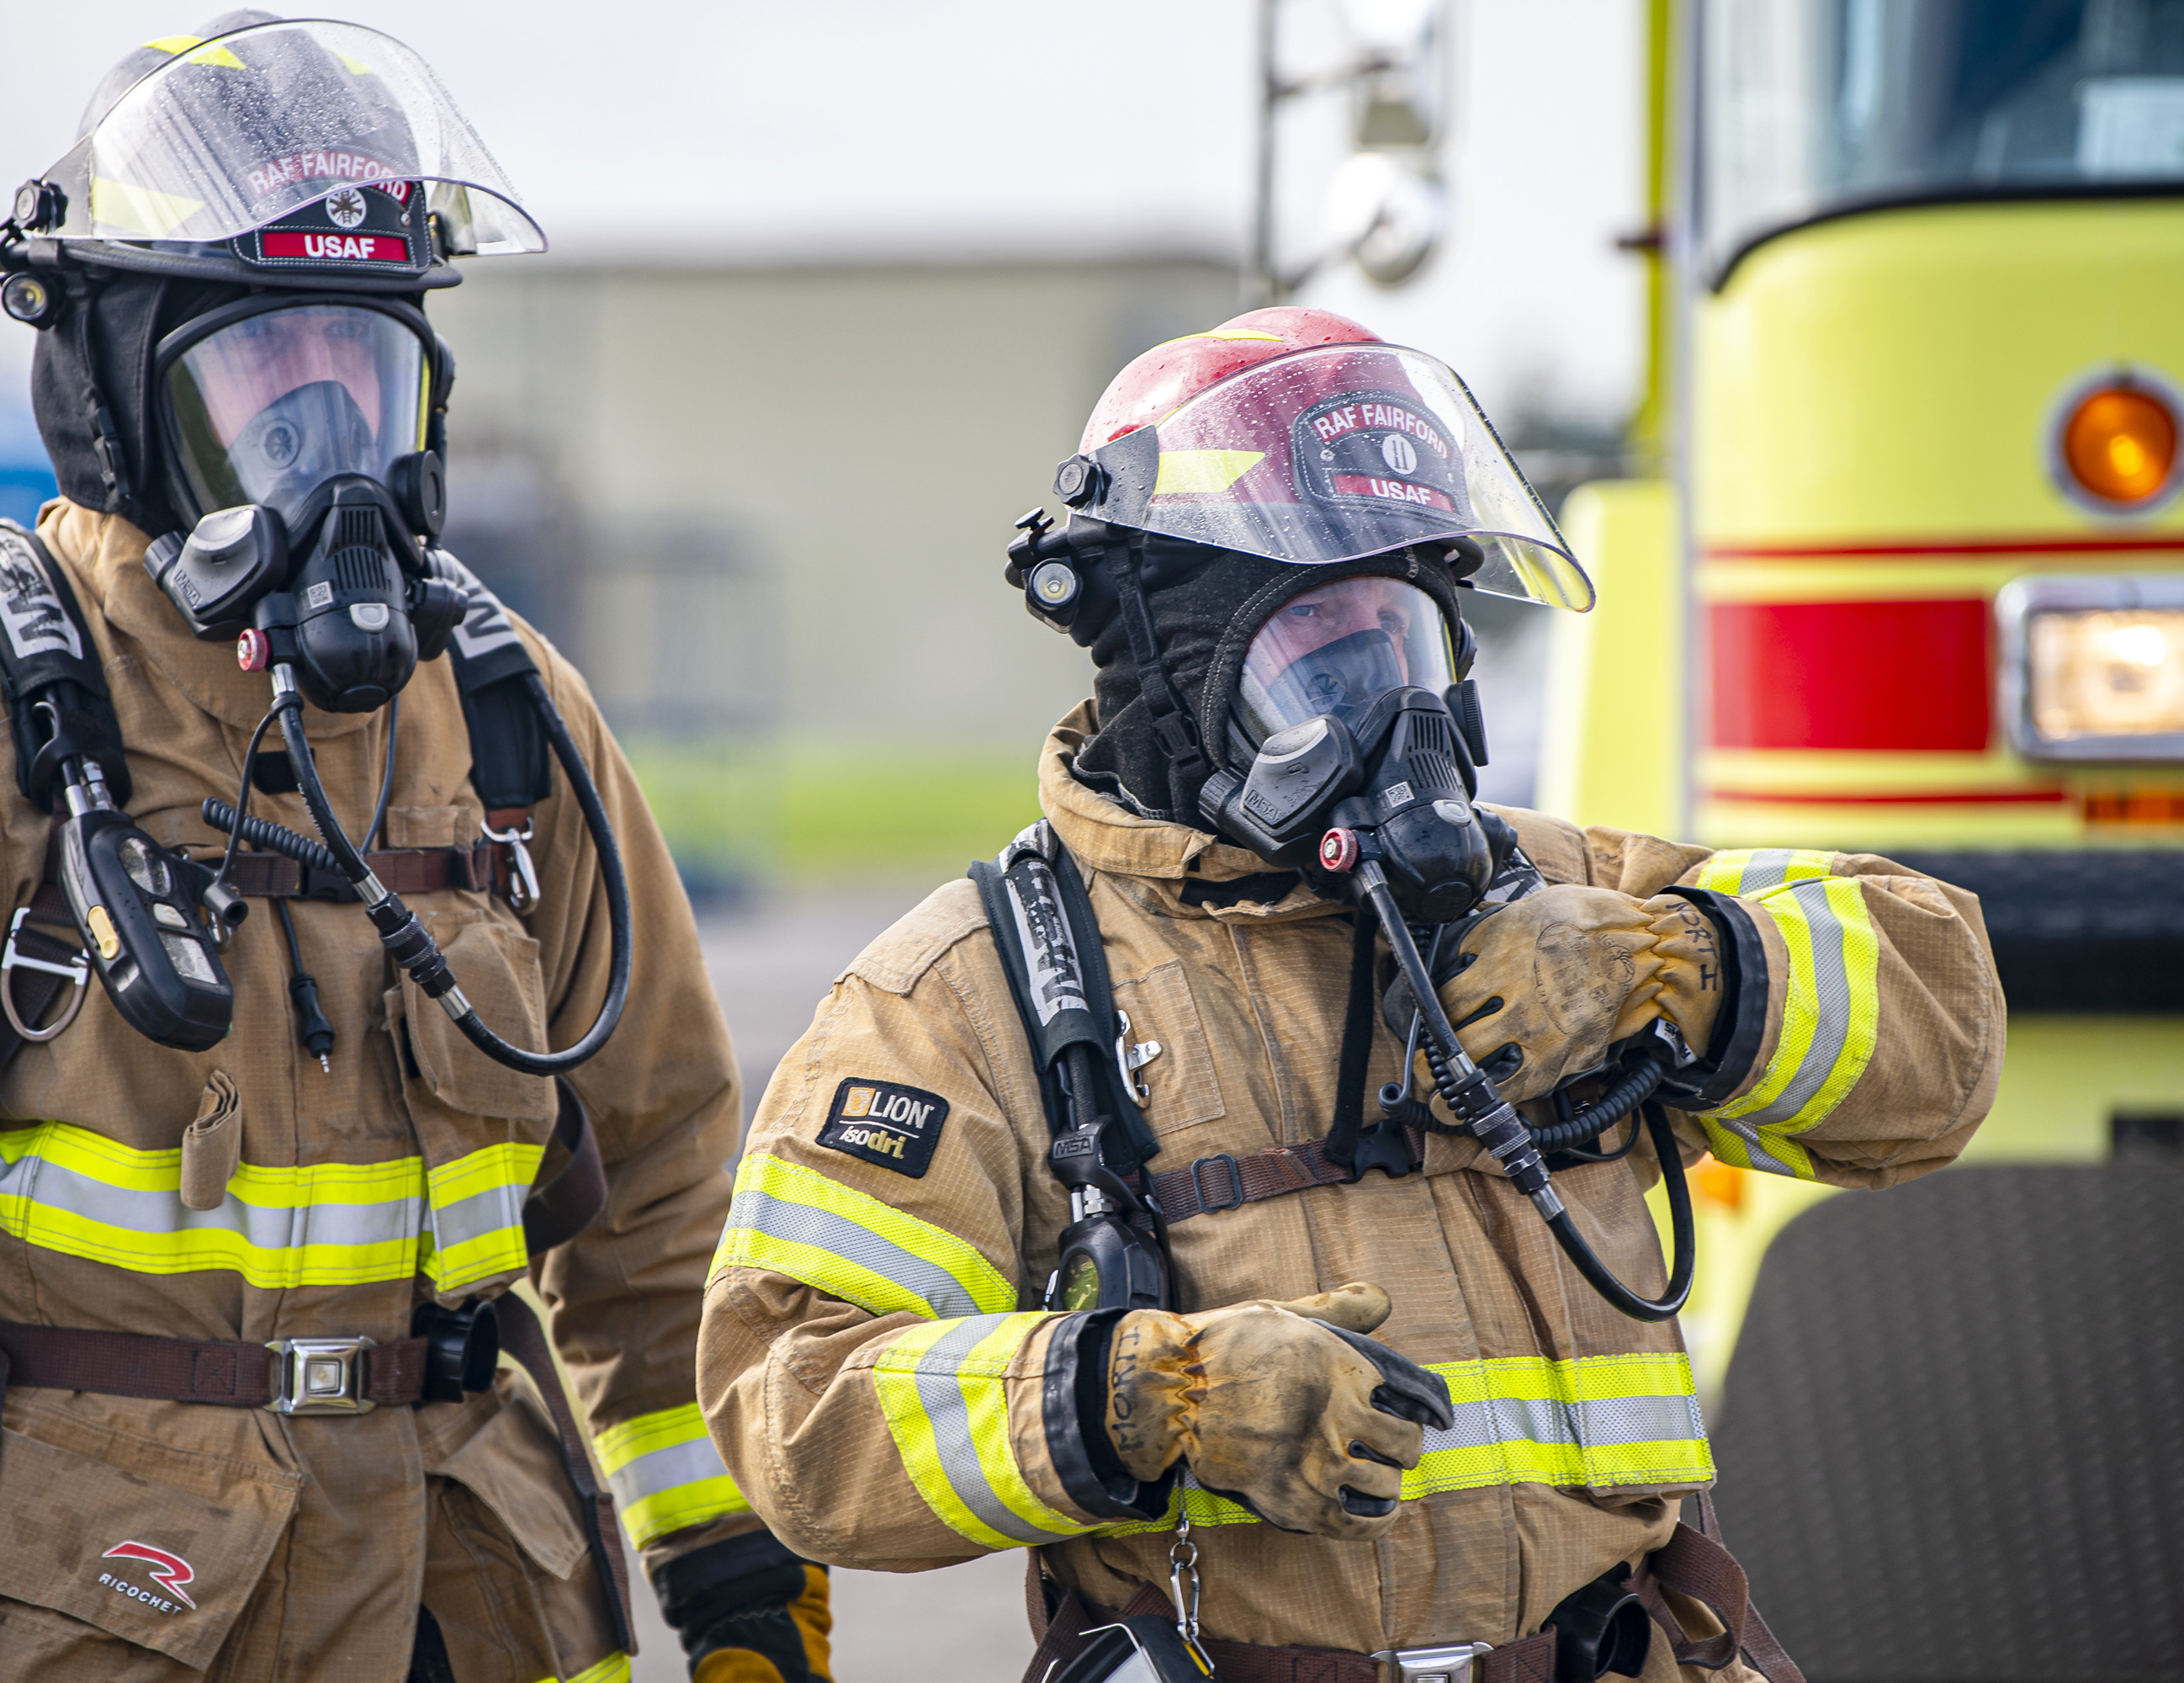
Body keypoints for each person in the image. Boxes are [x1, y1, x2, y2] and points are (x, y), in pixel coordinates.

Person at [0, 17, 828, 1683]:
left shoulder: (507, 724)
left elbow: (661, 1215)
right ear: (121, 398)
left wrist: (739, 1593)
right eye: (261, 394)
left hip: (468, 1605)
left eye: (363, 385)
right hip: (88, 1613)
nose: (325, 462)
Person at [698, 307, 2004, 1683]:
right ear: (1171, 667)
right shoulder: (970, 994)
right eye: (1320, 653)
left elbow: (1944, 1038)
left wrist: (1663, 962)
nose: (1389, 713)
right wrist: (1151, 1397)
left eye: (1409, 643)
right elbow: (797, 1408)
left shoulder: (1566, 895)